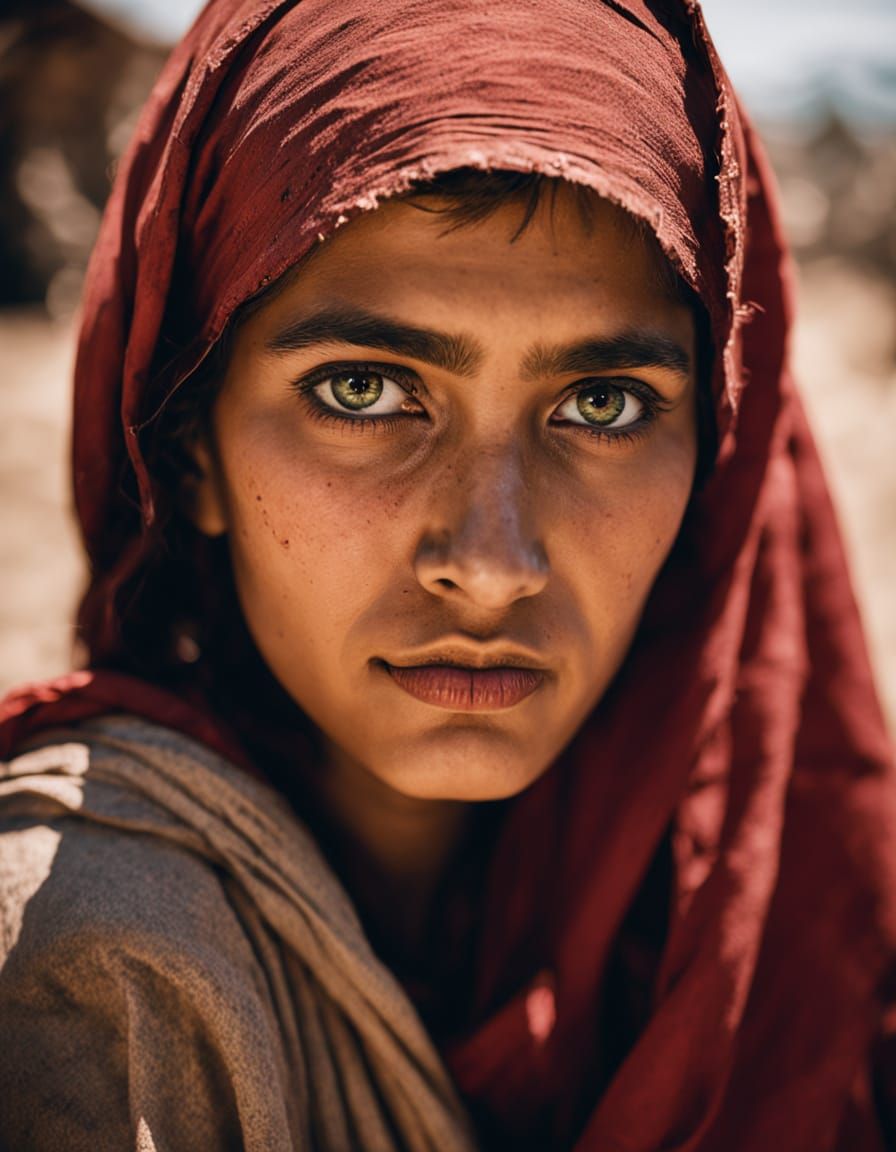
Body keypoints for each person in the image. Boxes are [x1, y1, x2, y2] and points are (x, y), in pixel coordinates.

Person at [1, 0, 894, 1148]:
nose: (489, 565)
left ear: (712, 469)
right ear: (192, 458)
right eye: (362, 391)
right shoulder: (95, 970)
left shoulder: (747, 937)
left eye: (601, 406)